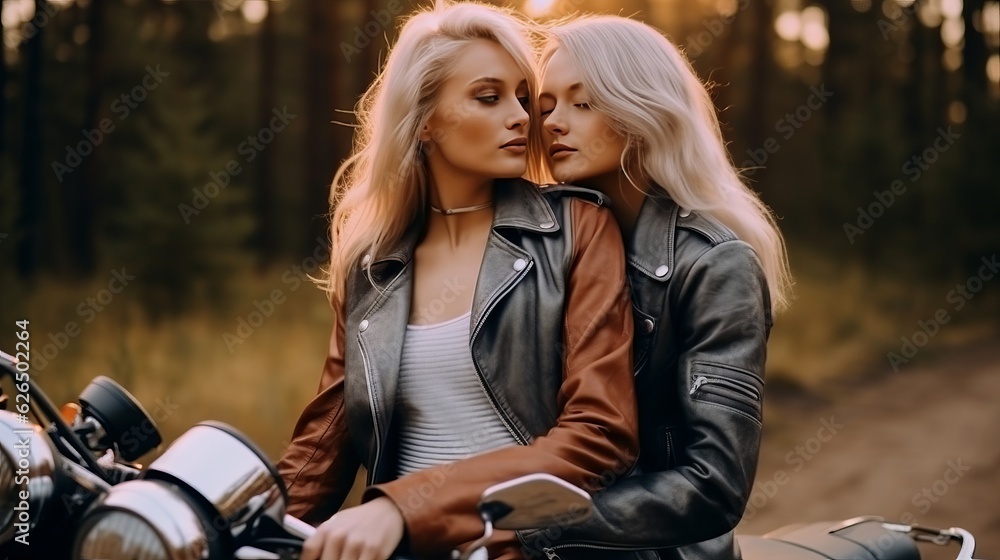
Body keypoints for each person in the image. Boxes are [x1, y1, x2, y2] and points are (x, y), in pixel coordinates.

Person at [276, 4, 640, 560]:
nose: (522, 116)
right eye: (489, 97)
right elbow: (321, 448)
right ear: (424, 120)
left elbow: (599, 434)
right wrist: (222, 514)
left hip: (531, 550)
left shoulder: (577, 229)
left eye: (523, 96)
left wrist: (403, 508)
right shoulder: (372, 266)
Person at [517, 15, 793, 560]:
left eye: (583, 102)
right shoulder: (541, 250)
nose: (552, 123)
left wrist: (533, 523)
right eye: (546, 107)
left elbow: (713, 484)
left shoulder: (715, 265)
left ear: (640, 108)